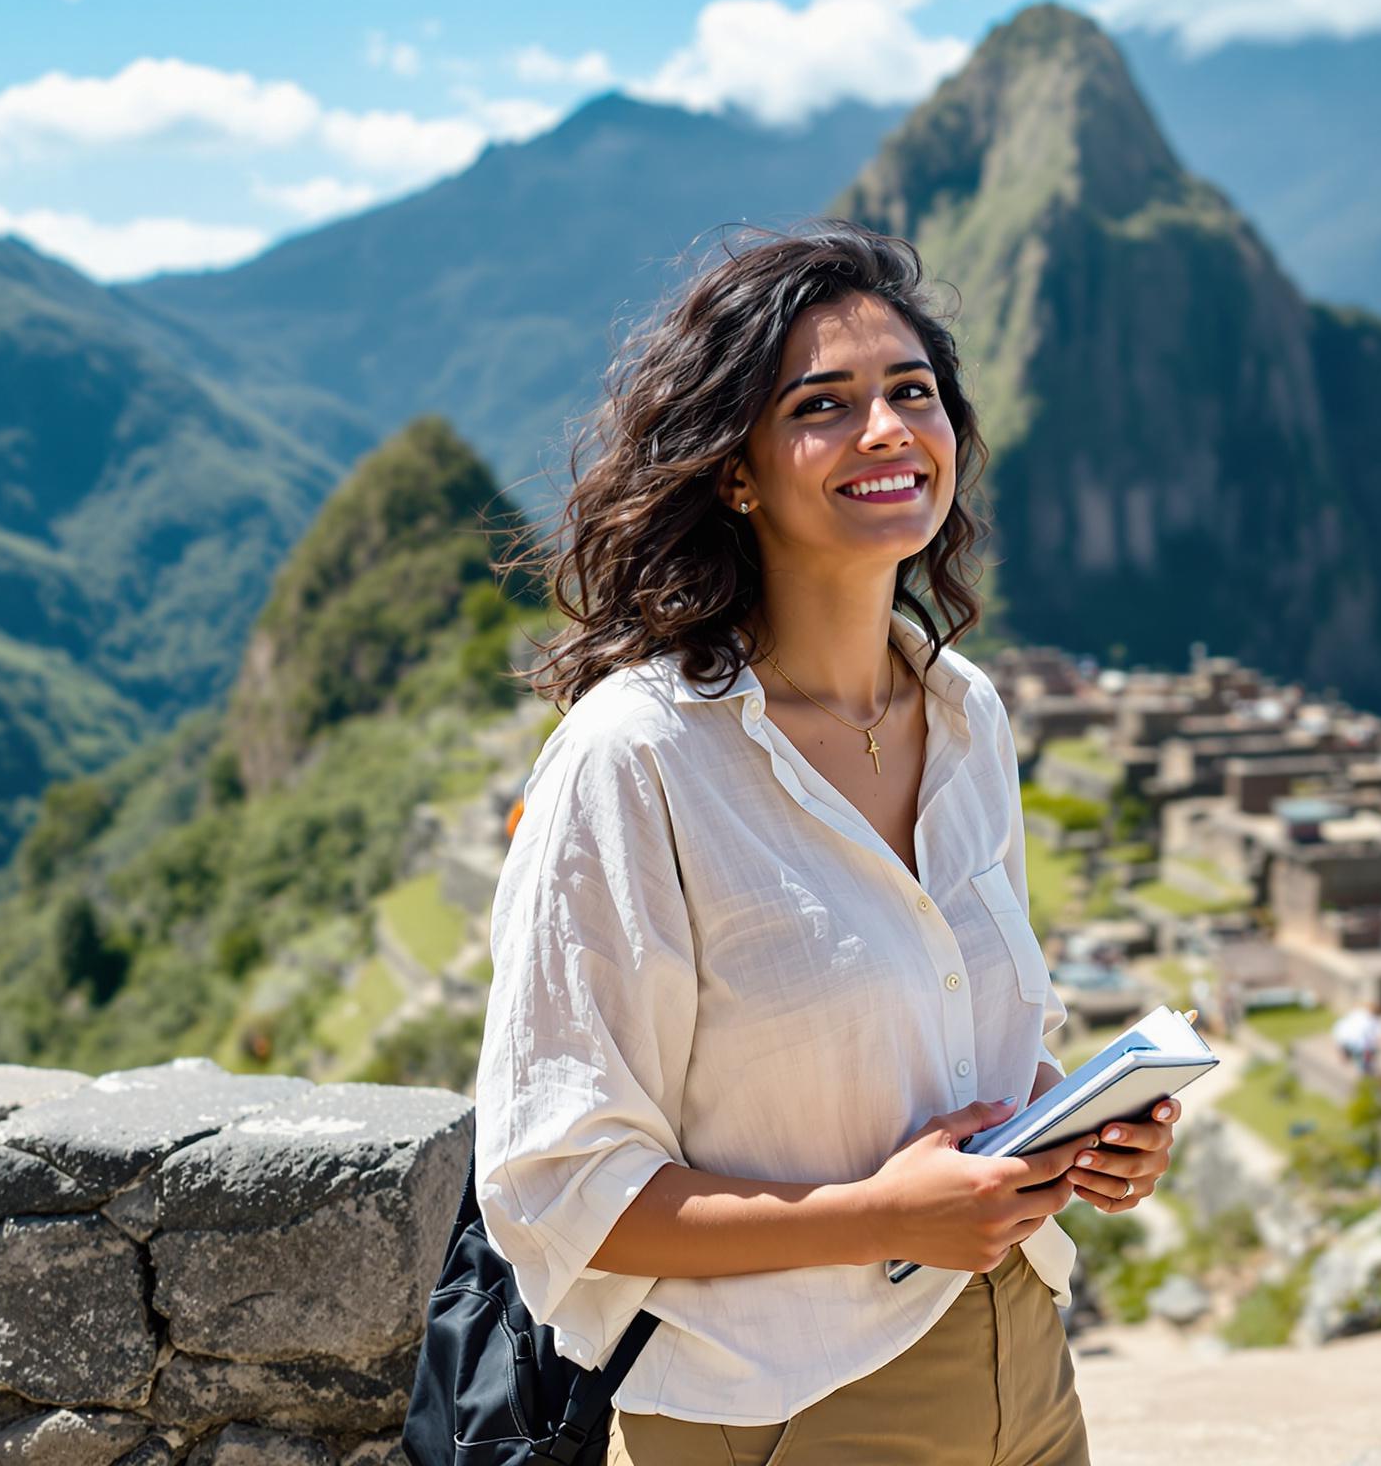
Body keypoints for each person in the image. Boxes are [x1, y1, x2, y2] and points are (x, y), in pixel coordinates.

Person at [480, 222, 1179, 1466]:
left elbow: (946, 1040)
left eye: (913, 392)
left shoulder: (966, 716)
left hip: (1023, 1351)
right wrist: (872, 1215)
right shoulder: (638, 759)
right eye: (823, 404)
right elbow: (555, 1183)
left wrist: (1078, 1130)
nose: (885, 431)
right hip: (793, 1399)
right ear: (735, 470)